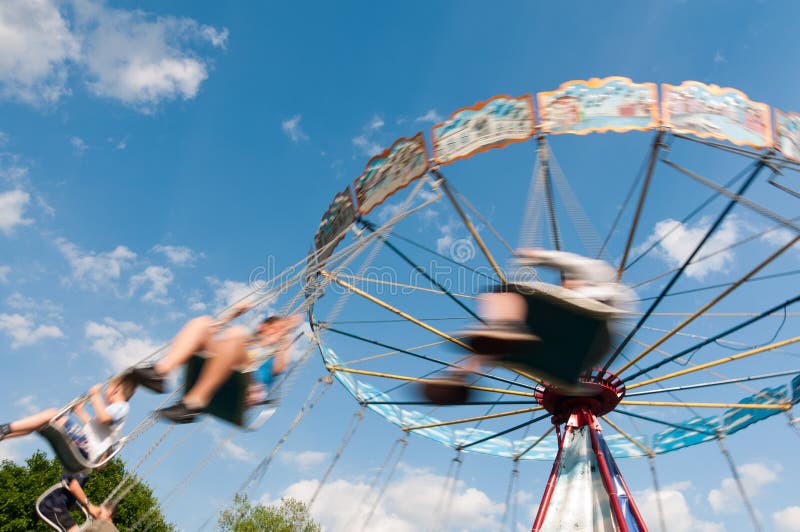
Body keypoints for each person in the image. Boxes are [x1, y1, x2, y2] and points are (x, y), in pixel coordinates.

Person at [423, 249, 634, 404]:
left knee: (505, 292)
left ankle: (503, 328)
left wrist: (537, 256)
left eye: (568, 282)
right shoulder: (557, 317)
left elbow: (575, 264)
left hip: (593, 323)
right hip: (575, 358)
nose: (565, 285)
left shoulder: (597, 281)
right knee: (491, 351)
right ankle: (457, 378)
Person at [131, 303, 303, 424]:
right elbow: (214, 332)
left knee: (236, 334)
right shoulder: (244, 342)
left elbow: (281, 367)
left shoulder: (276, 352)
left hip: (246, 388)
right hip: (220, 370)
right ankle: (160, 372)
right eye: (274, 328)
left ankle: (194, 403)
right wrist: (233, 314)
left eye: (281, 331)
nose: (277, 333)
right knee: (203, 323)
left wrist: (287, 334)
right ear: (262, 327)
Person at [0, 375, 136, 464]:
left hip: (88, 449)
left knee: (52, 414)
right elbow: (95, 428)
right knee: (39, 423)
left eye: (108, 387)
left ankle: (5, 428)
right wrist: (79, 411)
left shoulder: (121, 406)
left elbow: (103, 418)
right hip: (86, 445)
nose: (105, 391)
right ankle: (4, 435)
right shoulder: (115, 409)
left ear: (116, 390)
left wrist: (95, 396)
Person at [36, 470, 114, 532]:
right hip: (53, 505)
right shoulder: (85, 467)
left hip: (56, 505)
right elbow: (74, 486)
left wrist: (89, 510)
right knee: (74, 530)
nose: (106, 465)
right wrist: (90, 507)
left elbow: (70, 498)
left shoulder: (84, 468)